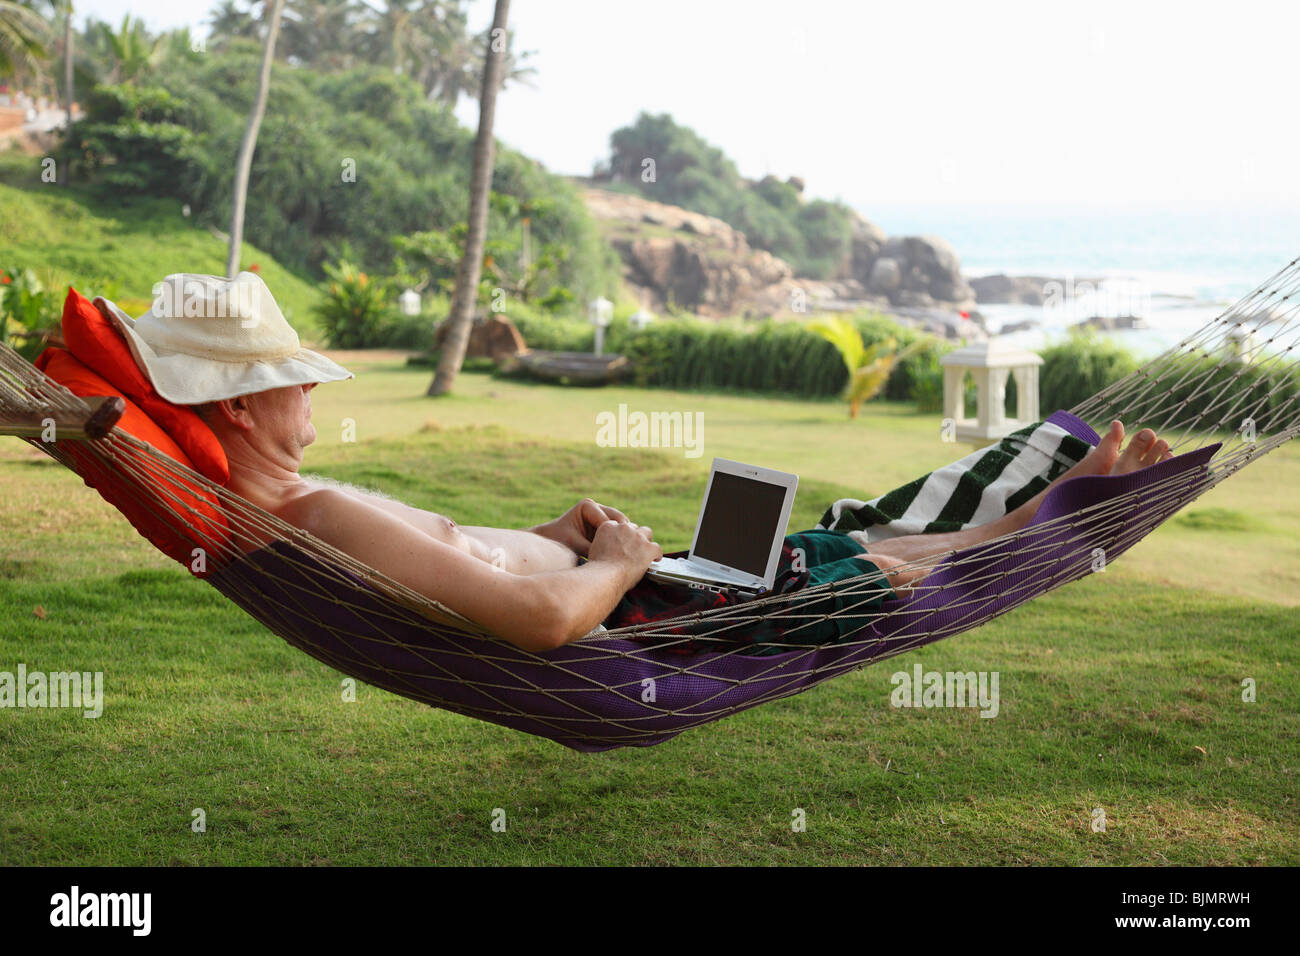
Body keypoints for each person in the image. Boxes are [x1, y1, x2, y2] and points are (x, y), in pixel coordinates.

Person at [104, 273, 1173, 653]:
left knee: (842, 541)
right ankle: (1053, 518)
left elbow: (466, 563)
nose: (314, 389)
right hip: (636, 614)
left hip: (636, 588)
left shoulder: (303, 507)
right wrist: (612, 562)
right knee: (881, 570)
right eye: (295, 377)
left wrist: (556, 538)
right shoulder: (319, 517)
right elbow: (534, 620)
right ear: (241, 405)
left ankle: (1037, 505)